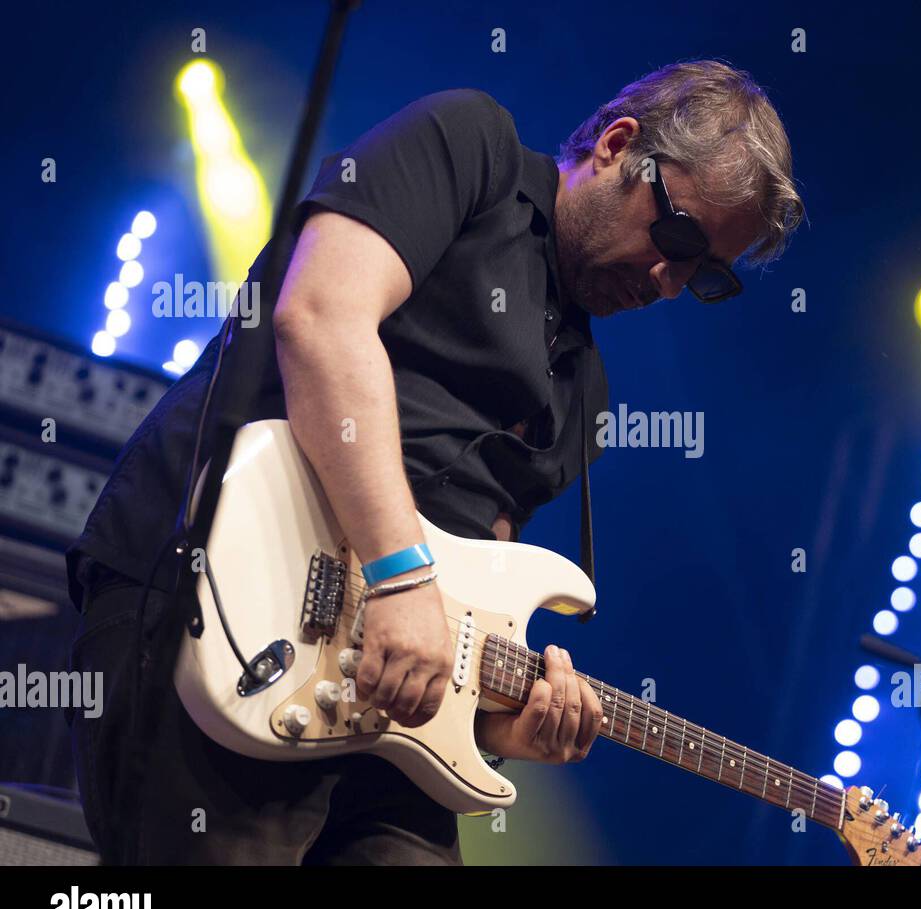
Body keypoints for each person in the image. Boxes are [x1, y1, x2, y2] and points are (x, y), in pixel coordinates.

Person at [65, 59, 804, 864]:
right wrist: (402, 577)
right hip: (218, 600)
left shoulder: (583, 393)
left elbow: (469, 588)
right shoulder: (471, 146)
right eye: (680, 235)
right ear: (618, 146)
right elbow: (320, 316)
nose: (670, 281)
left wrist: (500, 722)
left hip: (377, 706)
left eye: (702, 274)